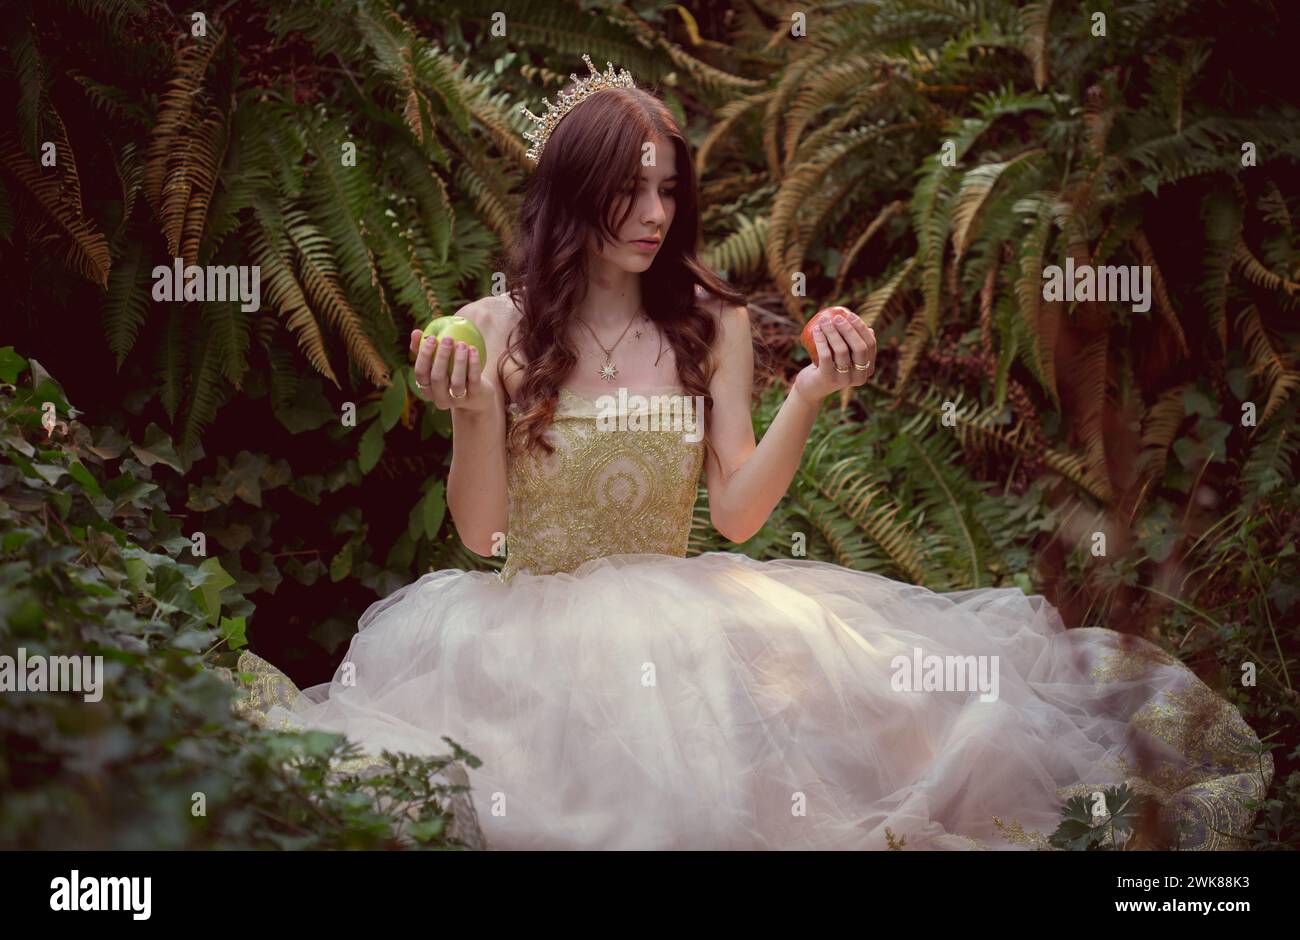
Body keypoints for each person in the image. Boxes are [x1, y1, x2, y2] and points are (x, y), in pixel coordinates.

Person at [241, 57, 1270, 850]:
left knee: (888, 758)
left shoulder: (711, 324)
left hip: (688, 615)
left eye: (667, 193)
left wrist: (812, 393)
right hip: (523, 632)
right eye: (630, 191)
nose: (654, 214)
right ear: (572, 194)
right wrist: (470, 414)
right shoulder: (495, 329)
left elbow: (735, 513)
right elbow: (483, 532)